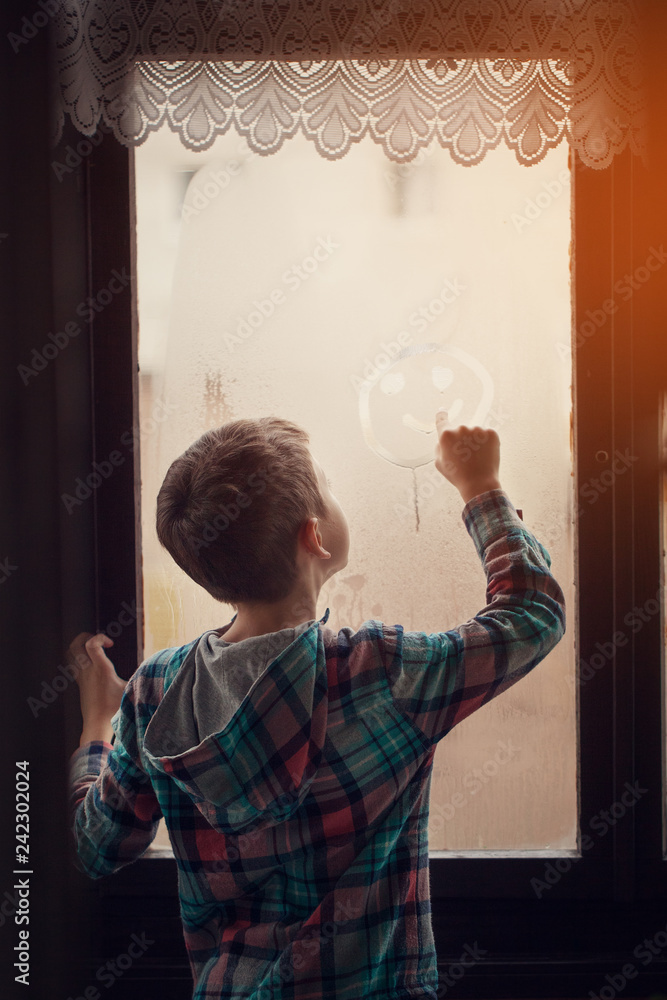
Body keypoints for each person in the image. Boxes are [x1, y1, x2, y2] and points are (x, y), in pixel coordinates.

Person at [67, 411, 565, 1000]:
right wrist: (480, 486)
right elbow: (531, 615)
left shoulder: (155, 691)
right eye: (326, 486)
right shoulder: (379, 673)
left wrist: (97, 728)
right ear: (314, 537)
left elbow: (95, 847)